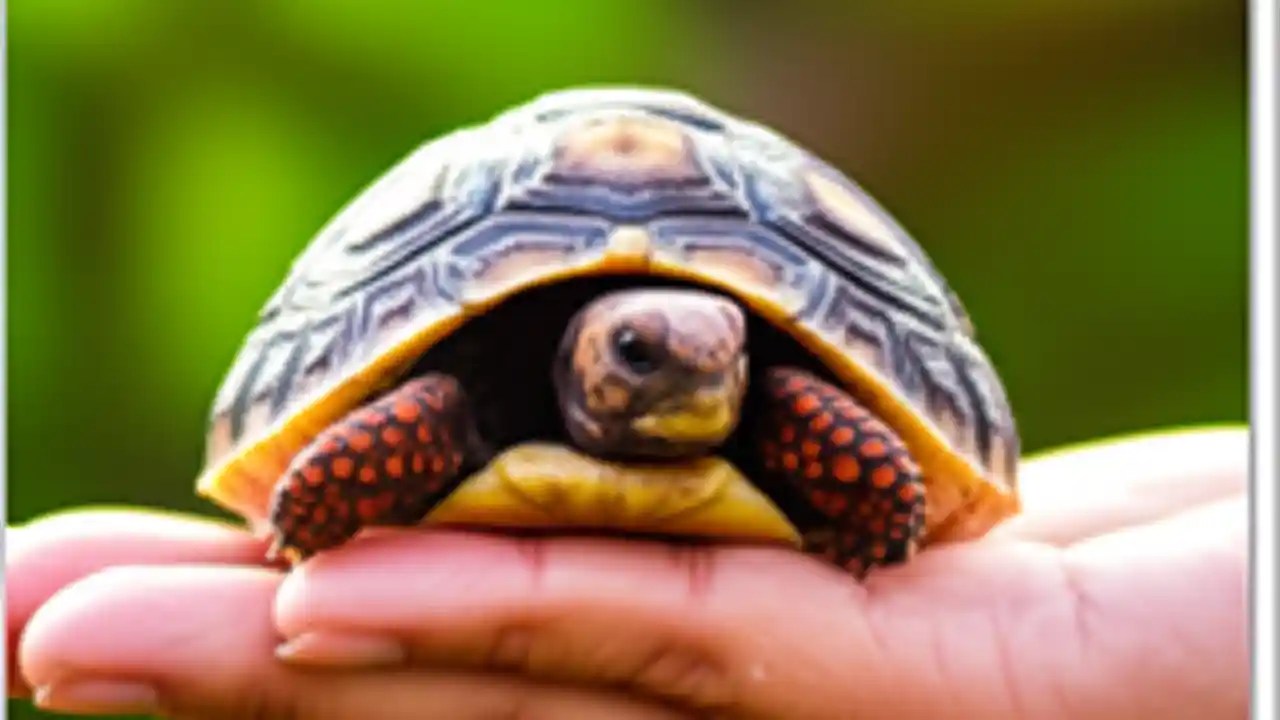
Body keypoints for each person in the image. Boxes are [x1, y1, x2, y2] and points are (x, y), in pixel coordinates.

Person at [7, 427, 1247, 719]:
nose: (694, 382)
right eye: (644, 356)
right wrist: (320, 496)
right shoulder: (458, 403)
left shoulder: (758, 396)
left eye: (721, 361)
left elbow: (851, 441)